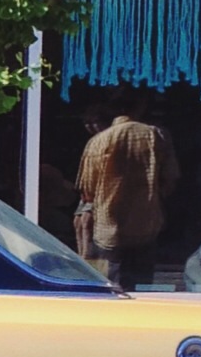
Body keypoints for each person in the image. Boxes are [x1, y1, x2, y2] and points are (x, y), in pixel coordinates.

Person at [74, 95, 179, 290]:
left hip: (108, 226)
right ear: (140, 107)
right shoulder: (155, 135)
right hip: (145, 223)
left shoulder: (98, 141)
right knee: (142, 285)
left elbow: (87, 190)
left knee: (111, 285)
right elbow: (170, 179)